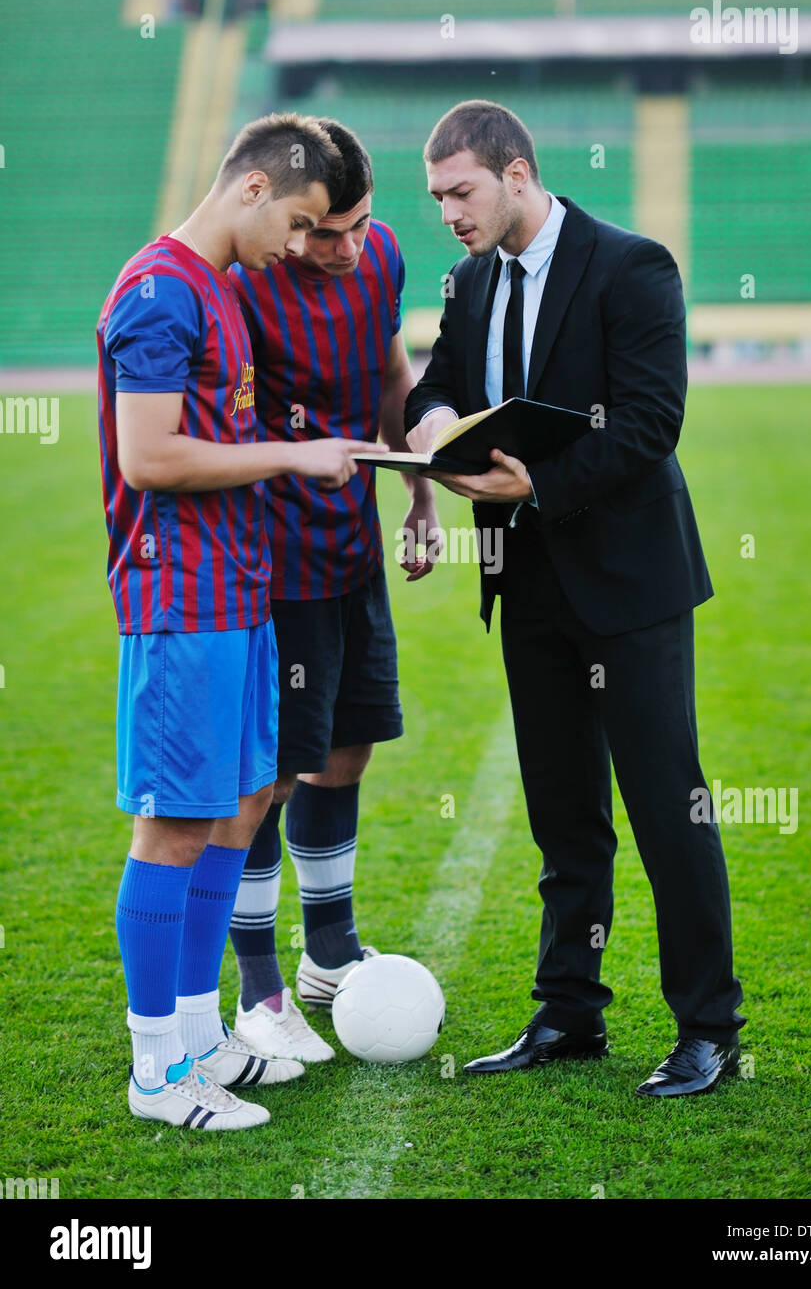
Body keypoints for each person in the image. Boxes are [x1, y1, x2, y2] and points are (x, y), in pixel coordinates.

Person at [405, 100, 745, 1097]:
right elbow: (437, 383)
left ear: (517, 175)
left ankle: (708, 1027)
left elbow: (651, 423)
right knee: (563, 811)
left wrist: (537, 487)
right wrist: (429, 433)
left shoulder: (631, 265)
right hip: (526, 581)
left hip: (630, 583)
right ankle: (569, 1013)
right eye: (436, 198)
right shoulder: (469, 282)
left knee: (665, 806)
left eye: (461, 192)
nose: (450, 214)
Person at [98, 112, 384, 1129]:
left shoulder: (216, 288)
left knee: (244, 796)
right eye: (301, 221)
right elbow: (150, 457)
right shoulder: (159, 293)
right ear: (253, 189)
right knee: (175, 819)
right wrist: (293, 455)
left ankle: (200, 1034)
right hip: (179, 598)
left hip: (239, 591)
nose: (301, 247)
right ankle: (155, 1072)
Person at [226, 118, 439, 1062]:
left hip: (352, 550)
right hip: (275, 564)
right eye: (323, 232)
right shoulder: (244, 281)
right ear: (284, 213)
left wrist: (419, 496)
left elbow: (393, 374)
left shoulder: (380, 254)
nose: (343, 248)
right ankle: (260, 986)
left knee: (346, 751)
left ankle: (328, 951)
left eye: (357, 226)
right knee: (267, 776)